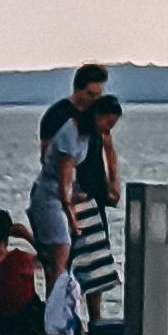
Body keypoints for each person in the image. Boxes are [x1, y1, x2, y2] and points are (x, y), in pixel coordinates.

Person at [29, 63, 107, 293]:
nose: (94, 100)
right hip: (62, 193)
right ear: (79, 90)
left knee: (94, 264)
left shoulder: (93, 121)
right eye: (90, 94)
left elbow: (101, 150)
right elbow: (48, 157)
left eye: (98, 95)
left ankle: (91, 319)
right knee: (59, 256)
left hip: (88, 194)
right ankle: (58, 312)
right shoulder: (58, 117)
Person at [70, 92, 124, 329]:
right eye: (108, 123)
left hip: (95, 199)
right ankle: (74, 313)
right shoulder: (82, 136)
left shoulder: (100, 138)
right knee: (79, 258)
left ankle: (95, 316)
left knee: (97, 260)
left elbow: (109, 159)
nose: (109, 129)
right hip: (82, 199)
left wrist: (113, 185)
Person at [0, 207, 44, 335]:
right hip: (27, 323)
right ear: (9, 234)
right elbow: (48, 260)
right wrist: (28, 236)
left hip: (3, 324)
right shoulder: (20, 259)